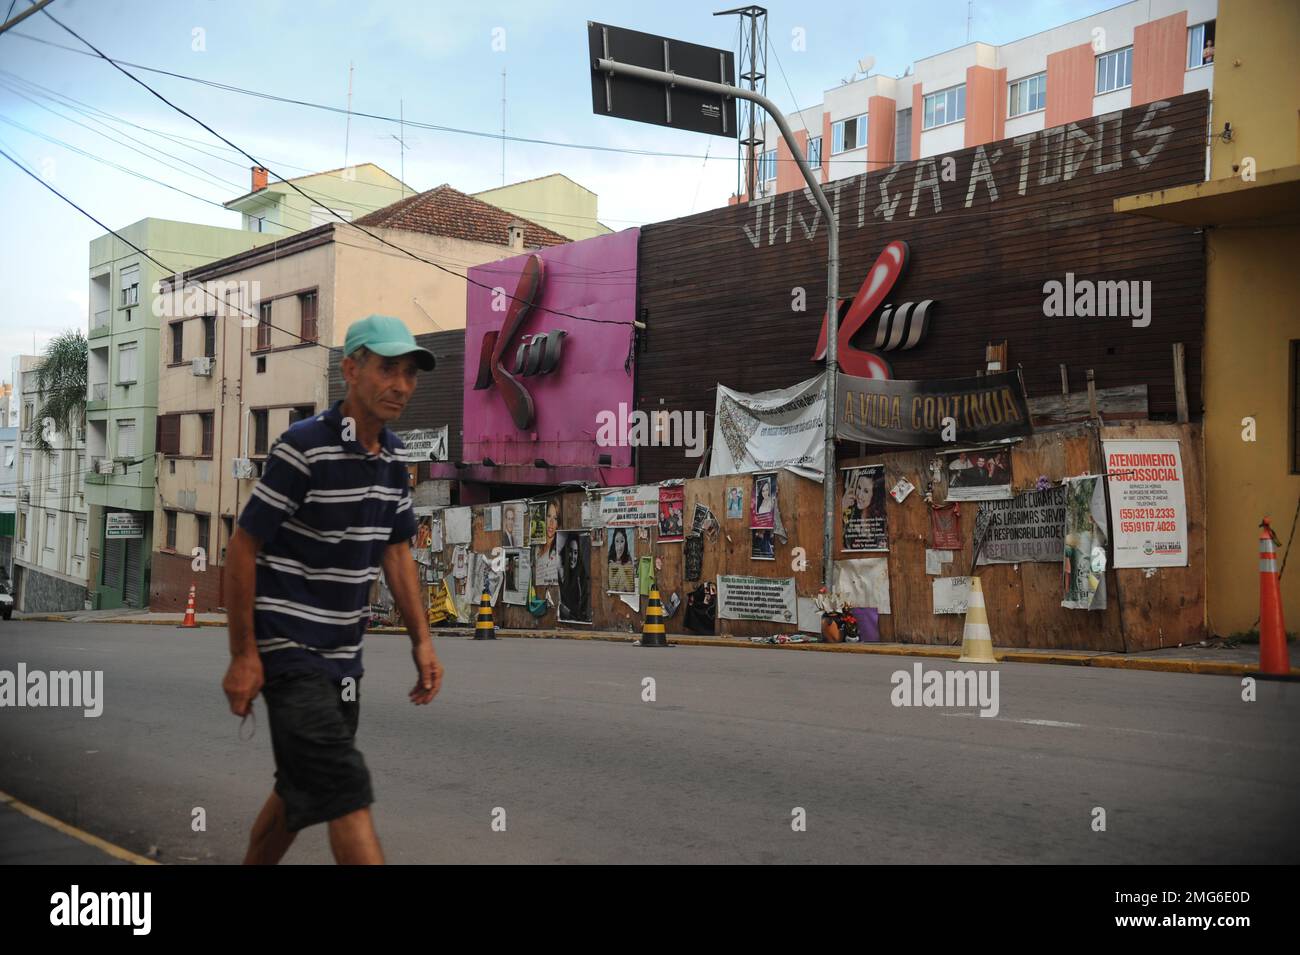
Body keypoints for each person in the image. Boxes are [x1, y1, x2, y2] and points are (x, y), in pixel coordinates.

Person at [222, 314, 444, 866]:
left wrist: (422, 641)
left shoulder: (393, 460)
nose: (401, 385)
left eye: (410, 374)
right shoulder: (303, 449)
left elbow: (396, 551)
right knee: (347, 793)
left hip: (344, 660)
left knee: (299, 791)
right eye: (387, 369)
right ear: (351, 370)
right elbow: (243, 546)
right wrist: (244, 653)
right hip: (289, 653)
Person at [558, 534, 590, 622]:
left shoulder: (580, 575)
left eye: (575, 552)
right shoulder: (561, 573)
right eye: (570, 551)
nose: (573, 556)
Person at [607, 528, 635, 592]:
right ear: (613, 543)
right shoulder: (610, 561)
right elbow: (612, 589)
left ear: (625, 543)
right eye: (617, 541)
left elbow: (630, 589)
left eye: (622, 541)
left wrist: (619, 567)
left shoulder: (628, 561)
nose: (619, 547)